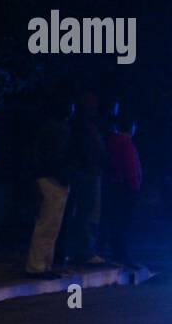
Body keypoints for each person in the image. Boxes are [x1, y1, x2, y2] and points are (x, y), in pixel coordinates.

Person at [25, 98, 74, 279]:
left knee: (51, 225)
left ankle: (44, 264)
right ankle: (37, 265)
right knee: (48, 224)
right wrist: (64, 176)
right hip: (52, 179)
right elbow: (54, 157)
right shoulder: (57, 130)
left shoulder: (51, 128)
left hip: (51, 177)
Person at [60, 90, 107, 266]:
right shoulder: (82, 126)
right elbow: (86, 150)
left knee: (85, 213)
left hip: (89, 172)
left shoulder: (86, 125)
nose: (94, 106)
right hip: (87, 173)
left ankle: (81, 250)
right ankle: (84, 251)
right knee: (87, 213)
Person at [105, 113, 143, 267]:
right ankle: (121, 255)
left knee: (118, 222)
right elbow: (130, 167)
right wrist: (133, 185)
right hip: (126, 189)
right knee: (123, 223)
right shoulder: (125, 143)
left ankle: (119, 253)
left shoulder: (113, 142)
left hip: (119, 187)